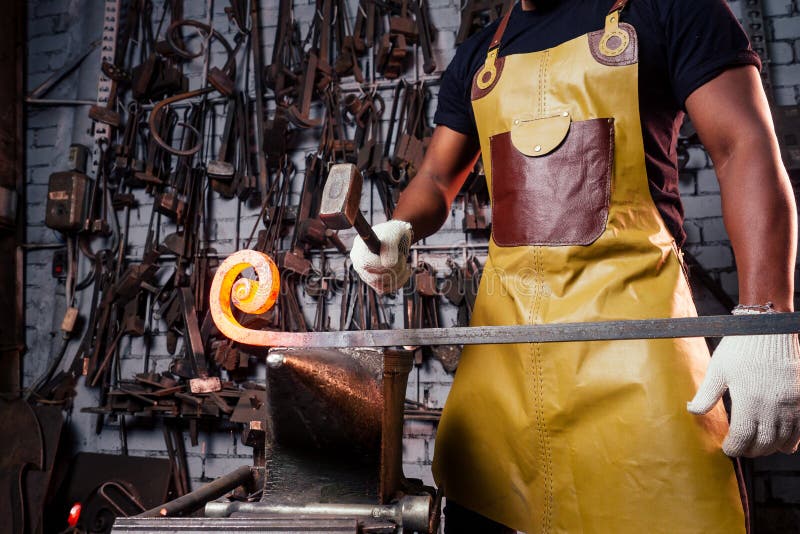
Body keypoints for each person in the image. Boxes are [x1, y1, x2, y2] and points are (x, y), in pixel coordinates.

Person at [349, 0, 800, 531]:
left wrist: (765, 318)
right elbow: (434, 179)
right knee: (482, 505)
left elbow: (740, 146)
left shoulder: (673, 10)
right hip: (504, 358)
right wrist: (398, 228)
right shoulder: (478, 57)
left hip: (636, 350)